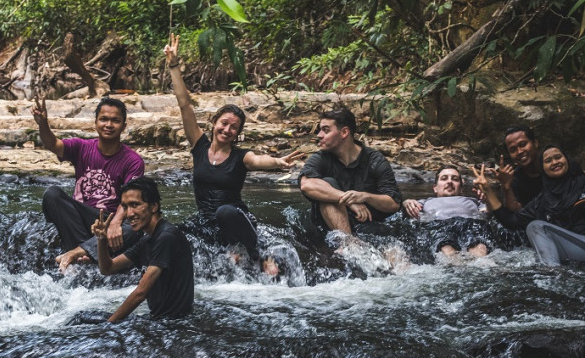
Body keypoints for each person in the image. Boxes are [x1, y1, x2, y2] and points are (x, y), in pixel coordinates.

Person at [164, 33, 302, 274]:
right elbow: (184, 104)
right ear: (214, 122)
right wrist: (174, 65)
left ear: (238, 133)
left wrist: (277, 161)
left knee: (225, 211)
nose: (227, 130)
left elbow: (259, 160)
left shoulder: (241, 156)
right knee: (171, 233)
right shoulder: (199, 145)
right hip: (206, 224)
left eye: (233, 127)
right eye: (223, 123)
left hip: (235, 221)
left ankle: (258, 255)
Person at [473, 146, 585, 265]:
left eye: (558, 157)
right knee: (534, 226)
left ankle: (551, 274)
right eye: (548, 160)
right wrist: (488, 191)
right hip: (567, 255)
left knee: (536, 226)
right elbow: (510, 221)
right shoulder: (543, 200)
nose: (554, 162)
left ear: (567, 159)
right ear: (543, 168)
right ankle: (553, 272)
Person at [34, 95, 145, 270]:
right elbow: (53, 144)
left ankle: (77, 252)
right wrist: (43, 124)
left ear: (123, 126)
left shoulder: (133, 161)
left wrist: (115, 223)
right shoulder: (82, 147)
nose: (109, 125)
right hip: (80, 216)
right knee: (52, 194)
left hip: (107, 219)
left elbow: (131, 199)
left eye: (115, 121)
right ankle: (84, 252)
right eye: (104, 119)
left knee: (135, 228)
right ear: (95, 123)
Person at [92, 177, 194, 321]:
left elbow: (141, 292)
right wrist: (102, 240)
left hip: (174, 325)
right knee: (82, 317)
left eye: (135, 205)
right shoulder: (148, 239)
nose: (129, 213)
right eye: (125, 207)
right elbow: (107, 268)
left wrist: (108, 325)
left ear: (154, 206)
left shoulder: (166, 237)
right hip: (158, 321)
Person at [299, 107, 402, 235]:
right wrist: (346, 199)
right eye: (320, 130)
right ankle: (348, 245)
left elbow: (394, 204)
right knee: (327, 184)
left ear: (344, 132)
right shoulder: (320, 158)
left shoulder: (375, 160)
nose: (319, 135)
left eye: (325, 130)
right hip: (328, 229)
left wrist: (366, 196)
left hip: (368, 227)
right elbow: (306, 185)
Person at [402, 166, 491, 258]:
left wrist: (488, 199)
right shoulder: (425, 202)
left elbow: (487, 213)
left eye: (455, 179)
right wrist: (406, 202)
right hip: (440, 225)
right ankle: (455, 262)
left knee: (479, 246)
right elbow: (409, 210)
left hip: (470, 224)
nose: (449, 181)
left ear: (461, 188)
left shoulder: (475, 201)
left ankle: (482, 264)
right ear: (435, 188)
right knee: (445, 245)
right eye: (444, 178)